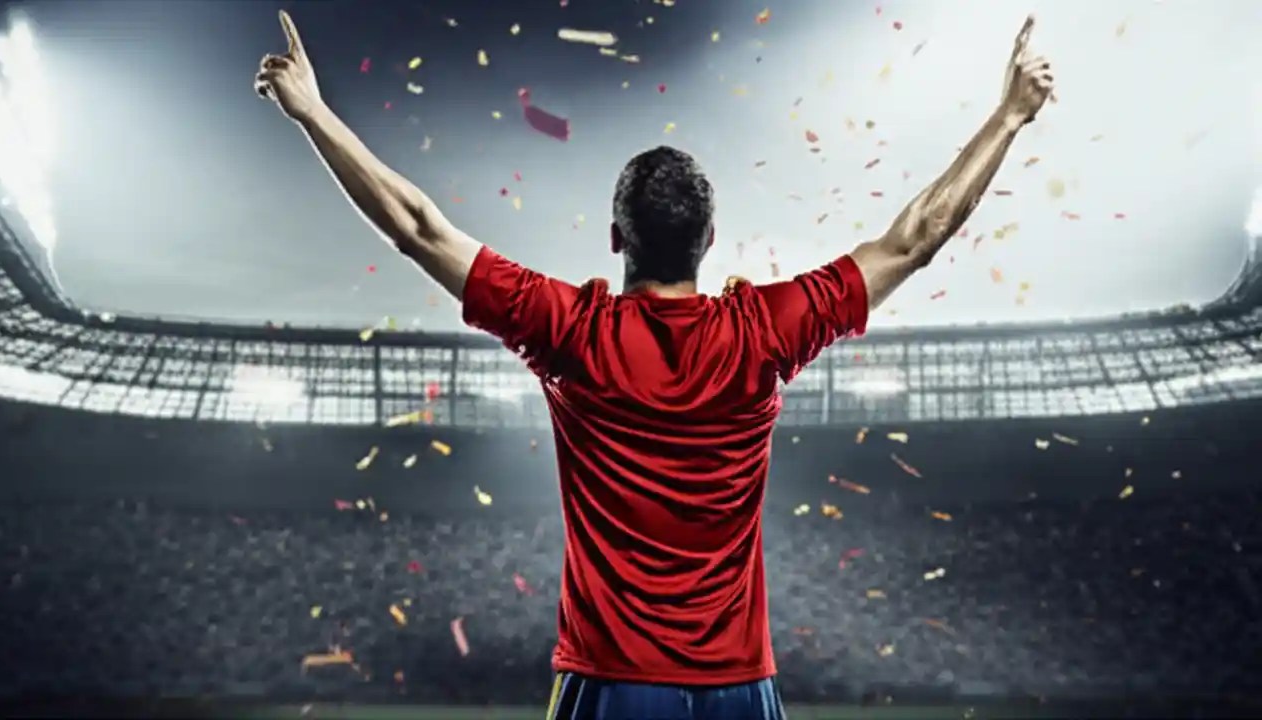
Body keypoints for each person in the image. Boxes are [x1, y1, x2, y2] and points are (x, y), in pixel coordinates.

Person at [254, 11, 1053, 719]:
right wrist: (1011, 115)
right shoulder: (763, 331)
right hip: (741, 686)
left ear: (615, 238)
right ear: (709, 240)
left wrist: (314, 113)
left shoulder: (571, 329)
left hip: (609, 683)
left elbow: (419, 230)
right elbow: (915, 238)